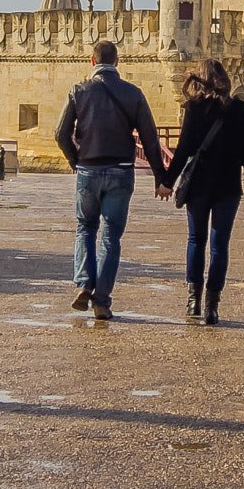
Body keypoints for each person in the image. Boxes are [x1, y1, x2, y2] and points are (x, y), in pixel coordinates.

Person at [55, 40, 164, 321]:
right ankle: (101, 302)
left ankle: (83, 284)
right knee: (111, 238)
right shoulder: (133, 93)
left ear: (92, 62)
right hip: (120, 171)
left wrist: (75, 161)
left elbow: (61, 134)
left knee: (85, 228)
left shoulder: (79, 90)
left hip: (88, 171)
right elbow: (151, 140)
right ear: (117, 62)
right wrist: (160, 178)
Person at [163, 58, 244, 326]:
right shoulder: (240, 108)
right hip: (228, 187)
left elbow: (182, 151)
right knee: (219, 246)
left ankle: (193, 301)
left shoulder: (194, 108)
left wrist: (167, 181)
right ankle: (211, 307)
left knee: (196, 240)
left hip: (199, 188)